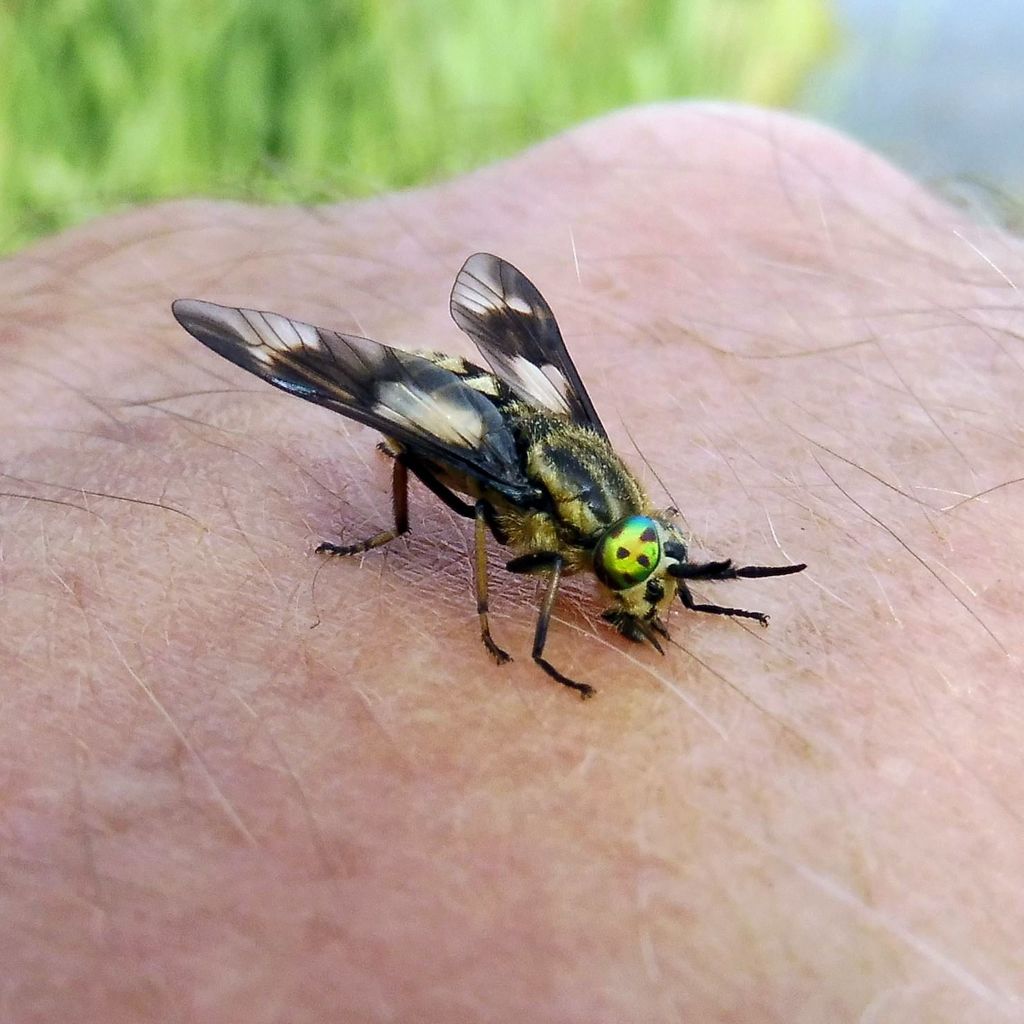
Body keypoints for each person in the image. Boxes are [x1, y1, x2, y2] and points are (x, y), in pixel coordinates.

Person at [4, 104, 1021, 1021]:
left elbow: (577, 437)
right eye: (641, 565)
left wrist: (672, 585)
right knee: (412, 452)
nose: (644, 572)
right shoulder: (556, 529)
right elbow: (509, 543)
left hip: (525, 425)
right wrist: (507, 636)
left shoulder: (624, 524)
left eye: (649, 563)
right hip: (470, 433)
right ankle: (398, 534)